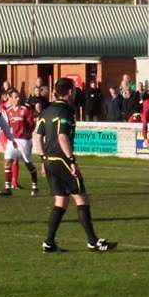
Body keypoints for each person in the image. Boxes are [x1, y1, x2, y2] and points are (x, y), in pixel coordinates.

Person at [36, 77, 116, 253]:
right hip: (62, 159)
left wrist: (43, 159)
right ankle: (93, 242)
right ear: (70, 92)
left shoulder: (47, 111)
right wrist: (72, 160)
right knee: (81, 198)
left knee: (61, 201)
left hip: (50, 160)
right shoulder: (65, 110)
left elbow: (37, 137)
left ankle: (48, 243)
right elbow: (62, 137)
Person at [2, 88, 40, 195]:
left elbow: (32, 123)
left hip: (24, 140)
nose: (17, 99)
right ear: (10, 98)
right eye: (15, 97)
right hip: (12, 140)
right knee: (7, 163)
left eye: (18, 97)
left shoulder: (25, 109)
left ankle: (35, 186)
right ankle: (8, 188)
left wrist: (28, 133)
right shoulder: (8, 111)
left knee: (28, 164)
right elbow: (5, 125)